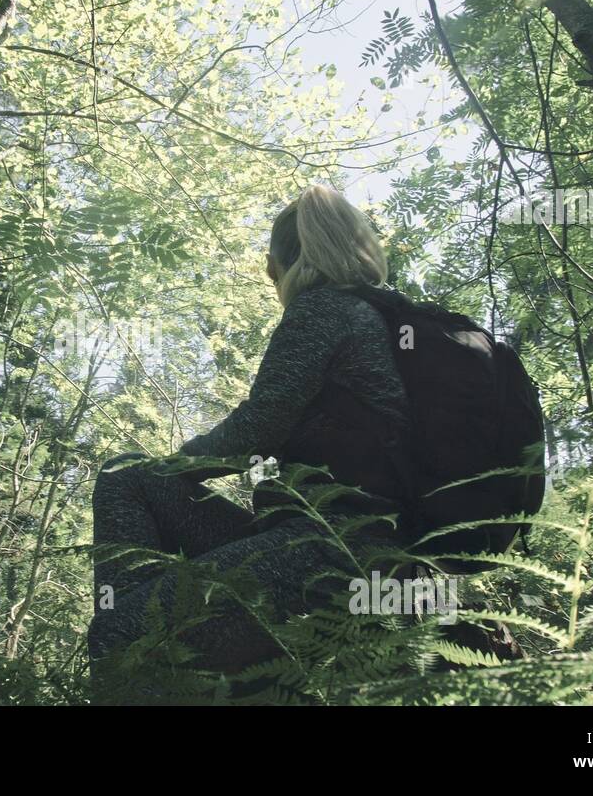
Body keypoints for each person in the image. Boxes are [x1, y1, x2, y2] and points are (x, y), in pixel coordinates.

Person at [87, 185, 418, 698]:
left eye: (271, 272)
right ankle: (163, 644)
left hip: (336, 552)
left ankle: (149, 652)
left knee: (119, 630)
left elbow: (252, 435)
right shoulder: (391, 319)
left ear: (277, 265)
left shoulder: (323, 312)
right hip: (324, 542)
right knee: (128, 476)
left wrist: (174, 465)